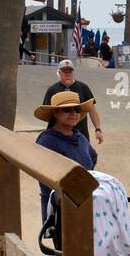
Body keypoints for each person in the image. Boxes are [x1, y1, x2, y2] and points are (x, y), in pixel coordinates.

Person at [34, 91, 98, 222]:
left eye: (77, 109)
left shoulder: (80, 137)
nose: (73, 113)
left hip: (85, 203)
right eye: (67, 109)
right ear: (55, 113)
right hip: (58, 208)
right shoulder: (47, 141)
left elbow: (92, 158)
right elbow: (44, 176)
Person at [42, 59, 102, 144]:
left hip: (81, 133)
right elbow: (48, 112)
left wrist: (98, 129)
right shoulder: (52, 90)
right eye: (64, 71)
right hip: (58, 136)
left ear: (73, 72)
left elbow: (92, 110)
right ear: (59, 73)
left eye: (70, 71)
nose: (68, 74)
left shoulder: (83, 87)